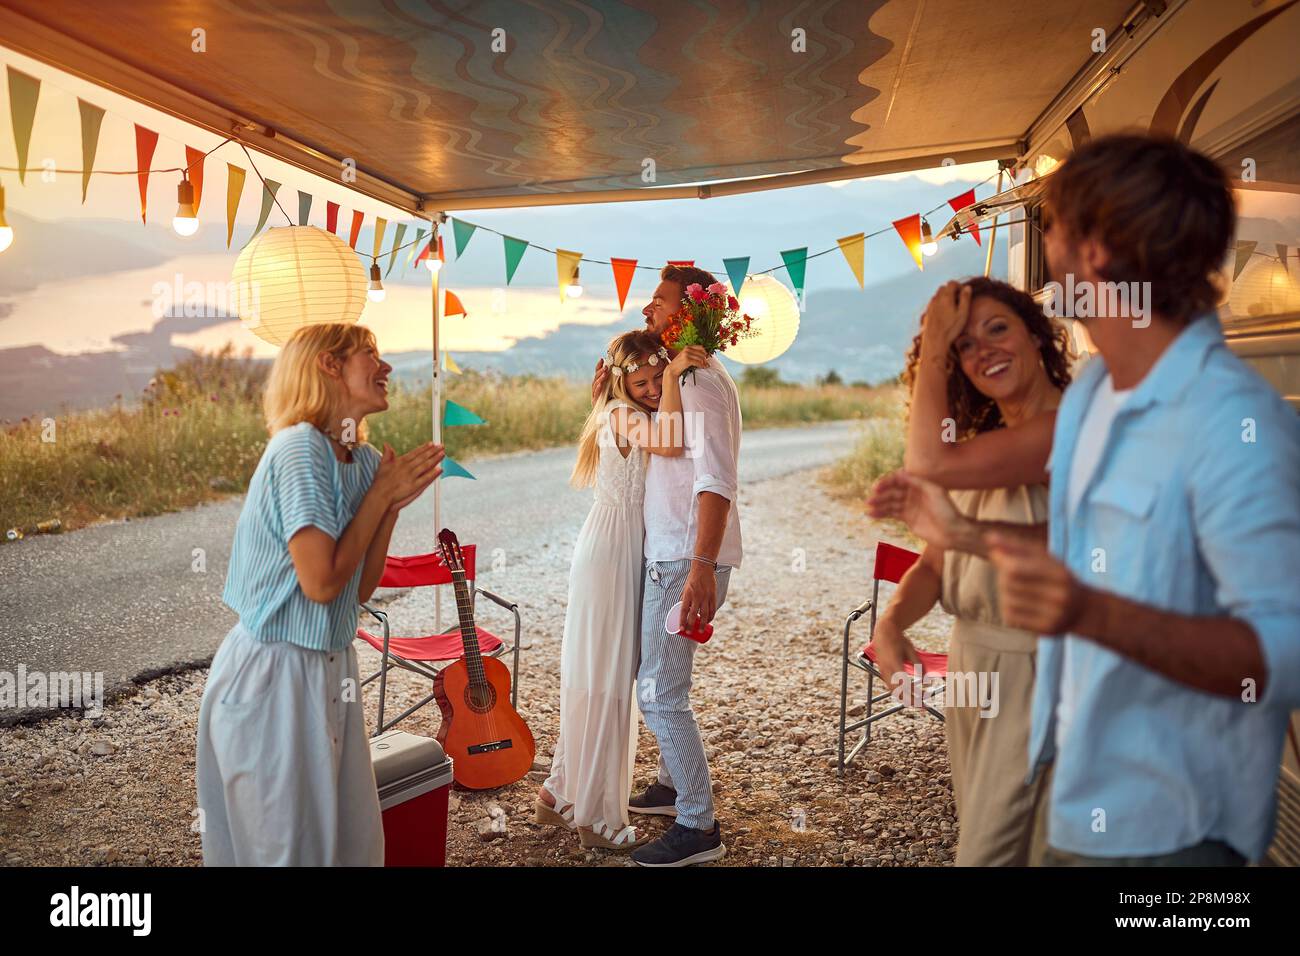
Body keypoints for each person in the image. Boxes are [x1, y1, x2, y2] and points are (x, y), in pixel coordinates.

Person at [870, 134, 1300, 866]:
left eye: (1054, 227)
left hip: (1175, 826)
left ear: (1092, 253)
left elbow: (1277, 661)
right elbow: (1087, 550)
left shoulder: (1230, 421)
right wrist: (968, 540)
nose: (1049, 248)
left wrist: (1086, 611)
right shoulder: (1101, 393)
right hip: (1080, 789)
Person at [196, 323, 444, 865]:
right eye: (370, 355)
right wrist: (381, 495)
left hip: (333, 667)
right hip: (274, 672)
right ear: (329, 366)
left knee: (348, 842)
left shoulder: (361, 459)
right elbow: (320, 581)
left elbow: (359, 586)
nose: (386, 367)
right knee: (287, 848)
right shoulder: (299, 449)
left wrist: (389, 504)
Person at [870, 276, 1072, 865]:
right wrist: (890, 624)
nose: (982, 350)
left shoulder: (1066, 426)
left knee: (994, 852)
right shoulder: (988, 444)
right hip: (975, 670)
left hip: (1041, 670)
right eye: (963, 344)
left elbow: (926, 462)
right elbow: (936, 562)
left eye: (998, 328)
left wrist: (932, 347)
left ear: (1037, 337)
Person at [590, 264, 744, 867]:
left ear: (687, 311)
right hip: (677, 556)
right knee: (664, 681)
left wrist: (702, 565)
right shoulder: (688, 377)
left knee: (659, 694)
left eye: (658, 301)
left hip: (685, 559)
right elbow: (652, 433)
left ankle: (698, 824)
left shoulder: (700, 381)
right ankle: (668, 785)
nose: (647, 309)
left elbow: (714, 480)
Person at [535, 331, 706, 852]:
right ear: (622, 385)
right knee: (606, 677)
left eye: (658, 378)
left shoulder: (618, 410)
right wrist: (677, 374)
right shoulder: (620, 414)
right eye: (643, 382)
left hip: (626, 545)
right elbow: (673, 439)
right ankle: (594, 813)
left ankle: (561, 791)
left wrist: (651, 382)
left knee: (601, 674)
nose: (653, 388)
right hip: (612, 551)